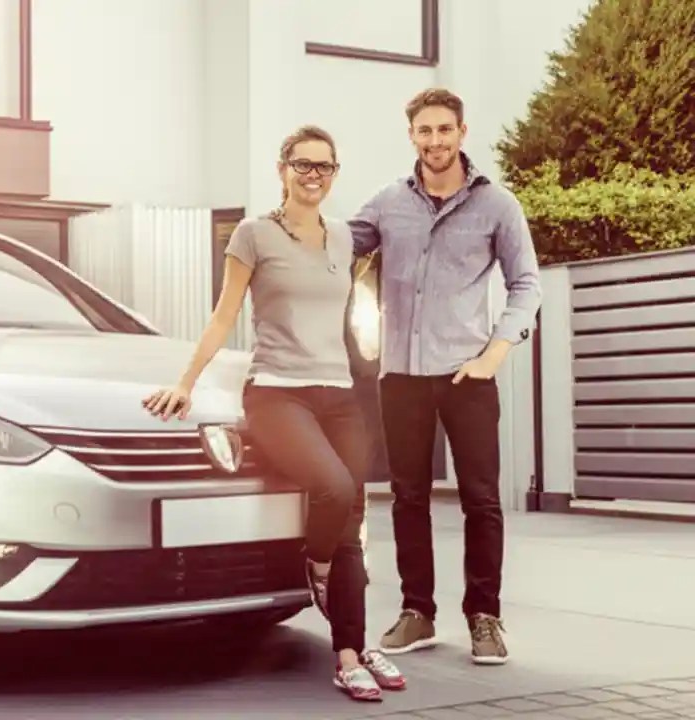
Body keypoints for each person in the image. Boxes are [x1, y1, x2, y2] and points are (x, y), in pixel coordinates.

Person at [143, 125, 406, 702]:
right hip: (277, 395)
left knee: (353, 526)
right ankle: (312, 568)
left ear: (335, 175)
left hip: (339, 395)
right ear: (282, 169)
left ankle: (349, 651)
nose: (313, 176)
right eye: (302, 165)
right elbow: (222, 316)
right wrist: (185, 382)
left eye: (324, 167)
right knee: (334, 490)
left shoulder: (343, 239)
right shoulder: (253, 234)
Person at [348, 88, 542, 666]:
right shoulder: (385, 203)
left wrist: (495, 351)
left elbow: (526, 283)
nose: (435, 141)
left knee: (481, 499)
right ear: (411, 135)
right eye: (424, 131)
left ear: (462, 132)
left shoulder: (498, 205)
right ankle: (417, 612)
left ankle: (485, 616)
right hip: (401, 374)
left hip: (468, 374)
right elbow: (334, 252)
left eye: (444, 130)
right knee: (408, 498)